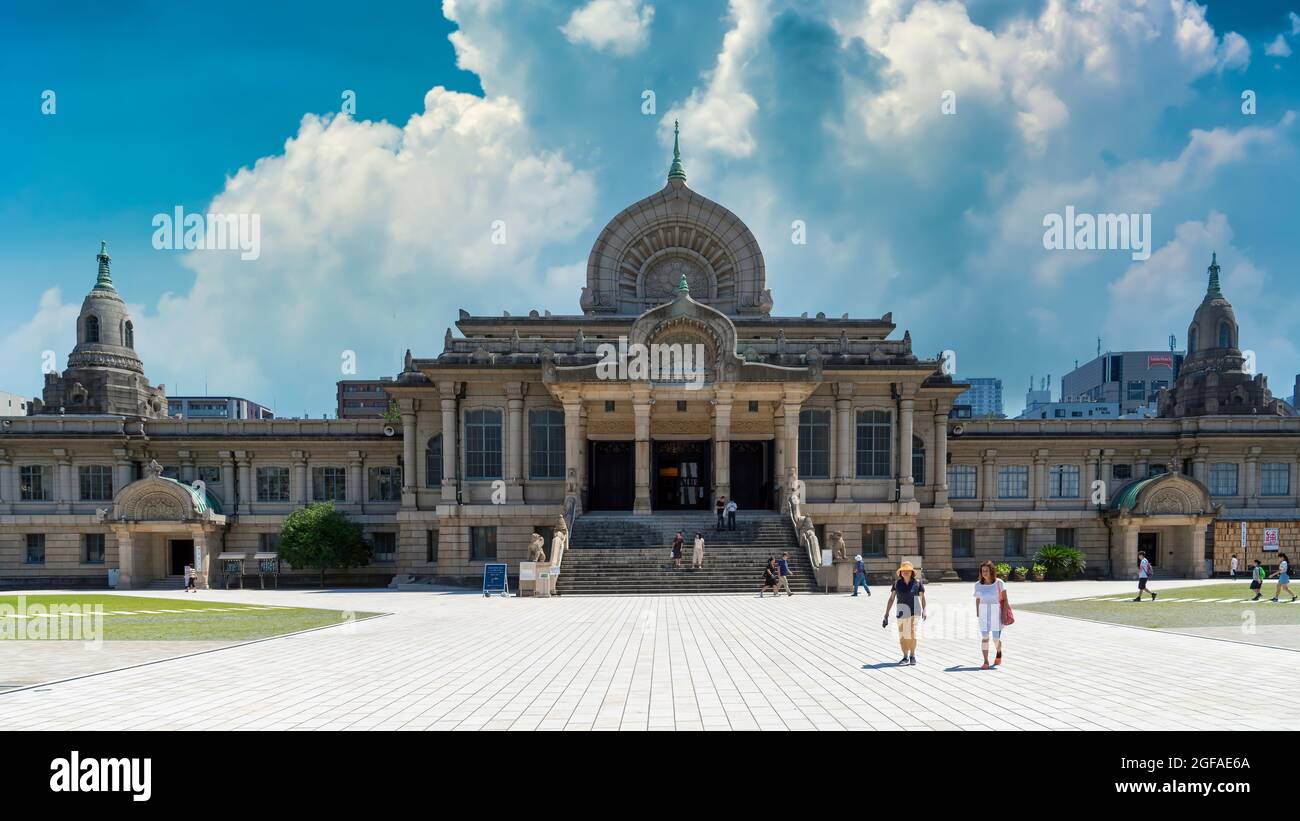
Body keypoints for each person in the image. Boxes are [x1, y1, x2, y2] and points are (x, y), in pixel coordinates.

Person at [882, 561, 926, 665]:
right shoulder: (897, 584)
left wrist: (925, 610)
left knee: (912, 633)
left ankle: (912, 655)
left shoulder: (917, 583)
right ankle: (905, 656)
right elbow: (891, 599)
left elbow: (922, 598)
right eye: (903, 571)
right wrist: (886, 614)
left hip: (915, 611)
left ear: (911, 572)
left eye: (908, 570)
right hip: (901, 612)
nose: (905, 572)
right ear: (900, 572)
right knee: (903, 635)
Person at [973, 560, 1006, 669]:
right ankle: (986, 661)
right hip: (983, 613)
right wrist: (978, 612)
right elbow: (978, 599)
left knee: (996, 639)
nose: (984, 573)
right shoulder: (978, 585)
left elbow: (1005, 600)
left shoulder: (999, 583)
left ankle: (999, 651)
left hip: (996, 612)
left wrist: (1004, 614)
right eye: (982, 571)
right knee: (985, 637)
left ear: (991, 571)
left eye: (986, 571)